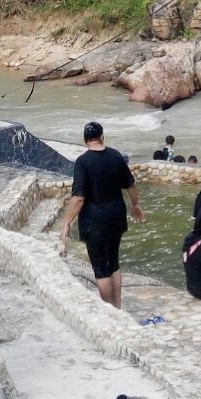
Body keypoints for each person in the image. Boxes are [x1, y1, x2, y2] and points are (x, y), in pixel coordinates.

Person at [59, 122, 144, 310]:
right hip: (116, 216)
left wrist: (66, 222)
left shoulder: (83, 162)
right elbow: (130, 184)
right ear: (102, 137)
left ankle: (109, 310)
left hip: (94, 221)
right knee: (113, 262)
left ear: (85, 140)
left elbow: (79, 198)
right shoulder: (116, 156)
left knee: (100, 267)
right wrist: (136, 205)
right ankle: (118, 306)